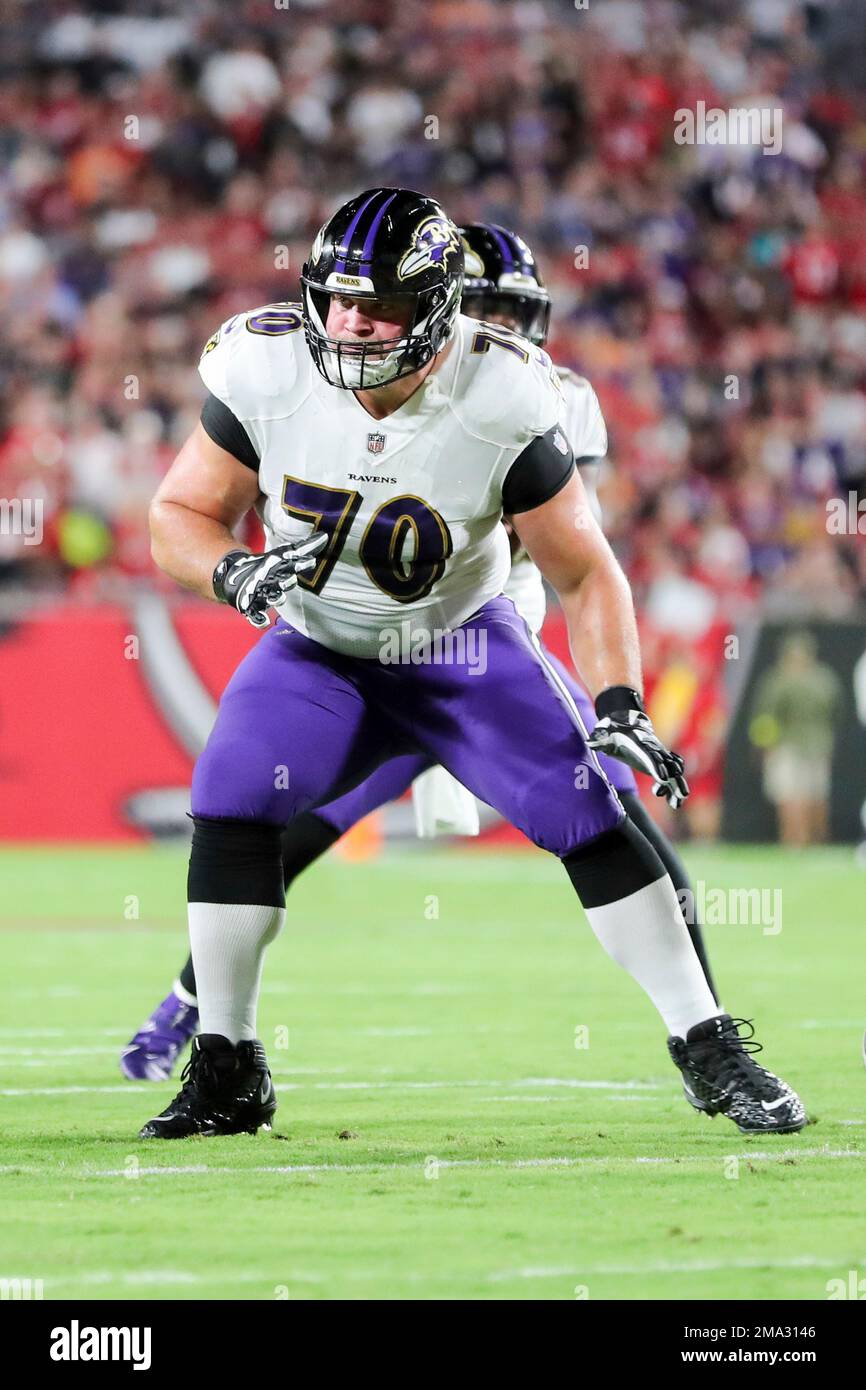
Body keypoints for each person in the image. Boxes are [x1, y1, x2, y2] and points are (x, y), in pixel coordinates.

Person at [139, 187, 805, 1139]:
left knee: (589, 805)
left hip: (460, 644)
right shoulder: (265, 365)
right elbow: (177, 514)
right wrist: (231, 569)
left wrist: (619, 698)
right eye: (337, 300)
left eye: (381, 307)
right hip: (321, 647)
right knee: (233, 796)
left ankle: (709, 1048)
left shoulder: (501, 393)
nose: (351, 324)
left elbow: (584, 571)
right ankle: (227, 1066)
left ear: (439, 310)